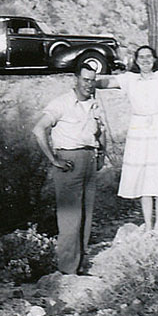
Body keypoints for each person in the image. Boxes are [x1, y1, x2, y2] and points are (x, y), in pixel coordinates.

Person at [96, 45, 158, 232]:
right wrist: (89, 81)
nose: (145, 60)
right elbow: (105, 83)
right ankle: (148, 225)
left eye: (149, 56)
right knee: (144, 176)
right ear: (136, 60)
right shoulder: (130, 79)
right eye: (141, 57)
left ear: (155, 59)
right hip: (138, 128)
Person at [33, 63, 106, 275]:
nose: (89, 85)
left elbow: (100, 132)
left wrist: (101, 155)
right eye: (85, 80)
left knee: (86, 215)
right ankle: (66, 269)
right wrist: (54, 159)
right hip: (69, 161)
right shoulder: (62, 103)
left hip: (89, 159)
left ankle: (79, 265)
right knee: (69, 218)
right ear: (76, 79)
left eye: (92, 81)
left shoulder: (93, 104)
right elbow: (38, 129)